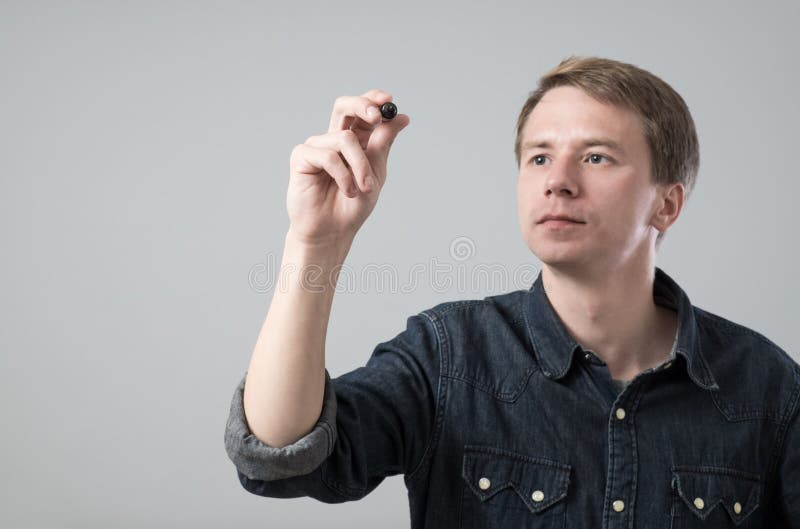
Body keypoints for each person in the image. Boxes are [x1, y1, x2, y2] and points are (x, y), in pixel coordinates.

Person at [224, 56, 800, 527]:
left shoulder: (769, 388)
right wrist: (315, 243)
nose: (558, 181)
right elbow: (280, 453)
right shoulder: (449, 355)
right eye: (539, 156)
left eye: (596, 157)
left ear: (667, 204)